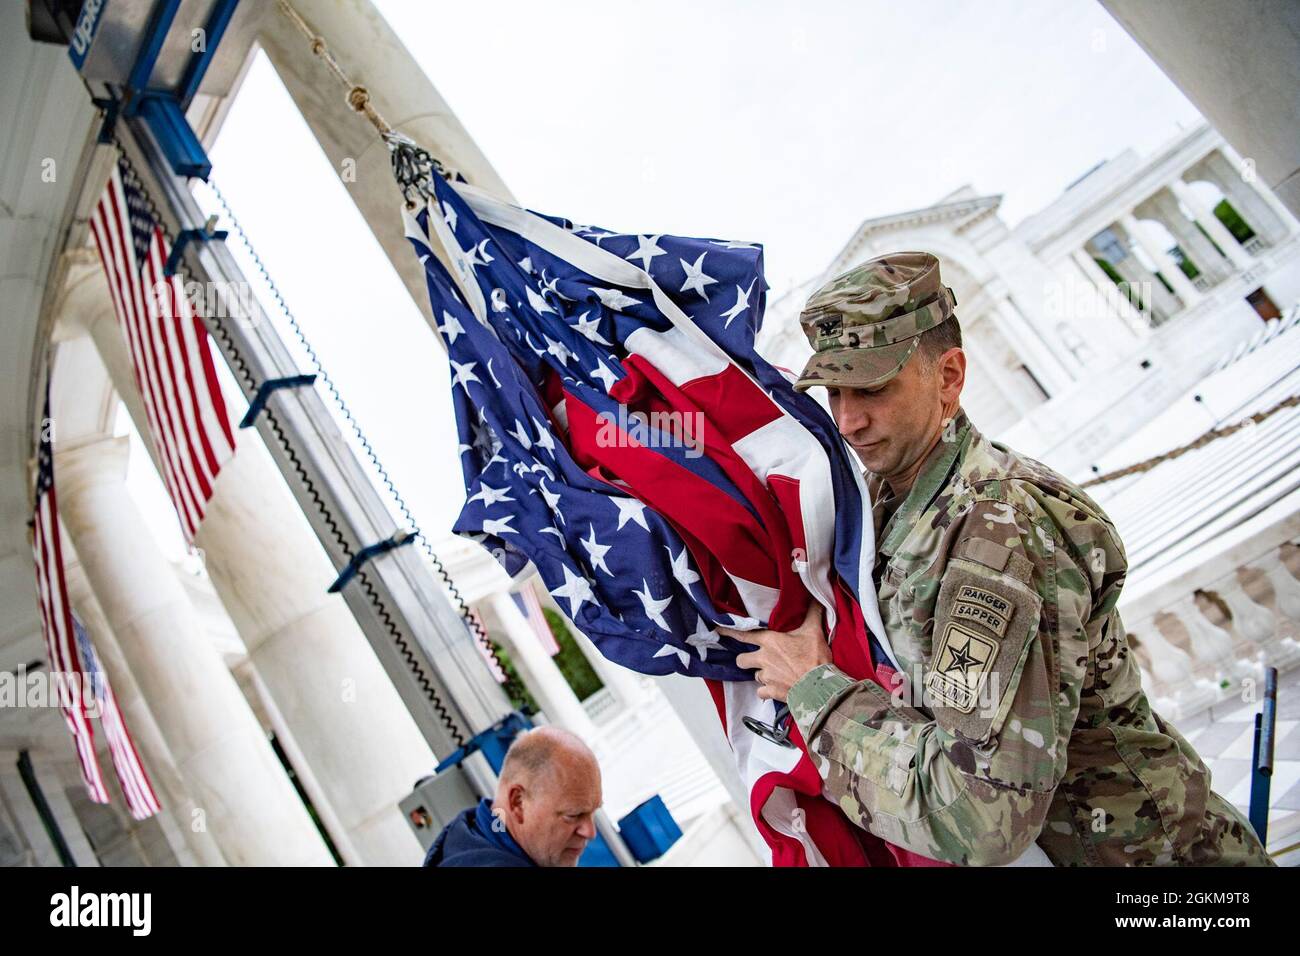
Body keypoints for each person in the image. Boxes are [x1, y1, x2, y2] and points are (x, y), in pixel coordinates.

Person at [720, 252, 1271, 867]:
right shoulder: (883, 500)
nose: (848, 420)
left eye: (872, 388)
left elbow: (979, 813)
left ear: (949, 375)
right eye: (835, 392)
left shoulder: (997, 532)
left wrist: (814, 692)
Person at [422, 726, 602, 867]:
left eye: (593, 812)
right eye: (573, 815)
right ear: (518, 802)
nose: (590, 832)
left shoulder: (470, 835)